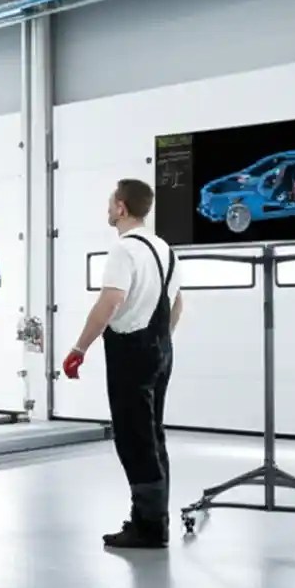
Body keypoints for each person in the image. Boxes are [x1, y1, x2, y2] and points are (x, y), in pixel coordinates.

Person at [62, 179, 184, 549]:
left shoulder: (124, 249)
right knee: (153, 435)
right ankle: (155, 520)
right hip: (161, 349)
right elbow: (177, 303)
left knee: (134, 438)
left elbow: (110, 301)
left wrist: (80, 347)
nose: (108, 207)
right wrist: (161, 341)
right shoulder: (165, 249)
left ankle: (148, 527)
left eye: (110, 201)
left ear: (121, 207)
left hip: (131, 352)